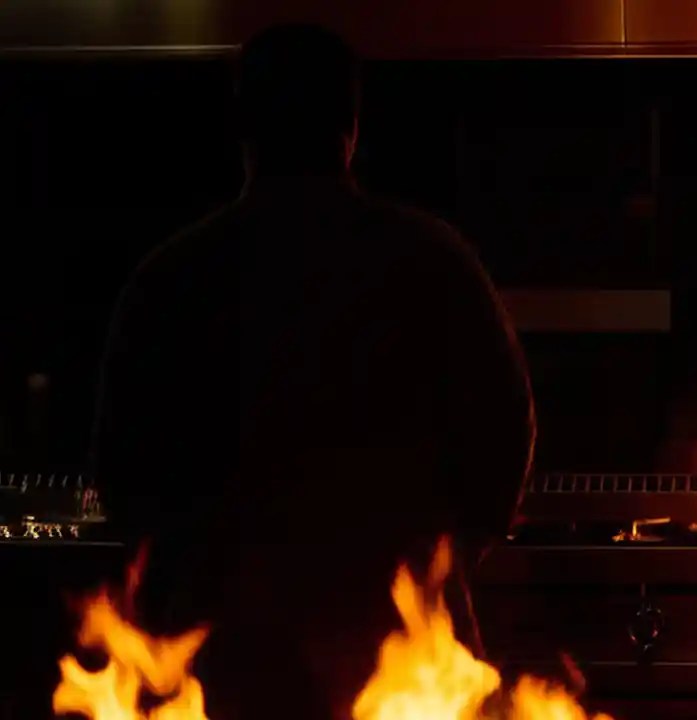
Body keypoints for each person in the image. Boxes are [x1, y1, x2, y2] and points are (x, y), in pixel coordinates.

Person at [90, 24, 534, 718]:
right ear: (350, 127)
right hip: (398, 651)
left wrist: (186, 569)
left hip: (221, 661)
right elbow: (504, 437)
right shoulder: (431, 263)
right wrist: (437, 564)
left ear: (243, 129)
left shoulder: (175, 279)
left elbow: (121, 468)